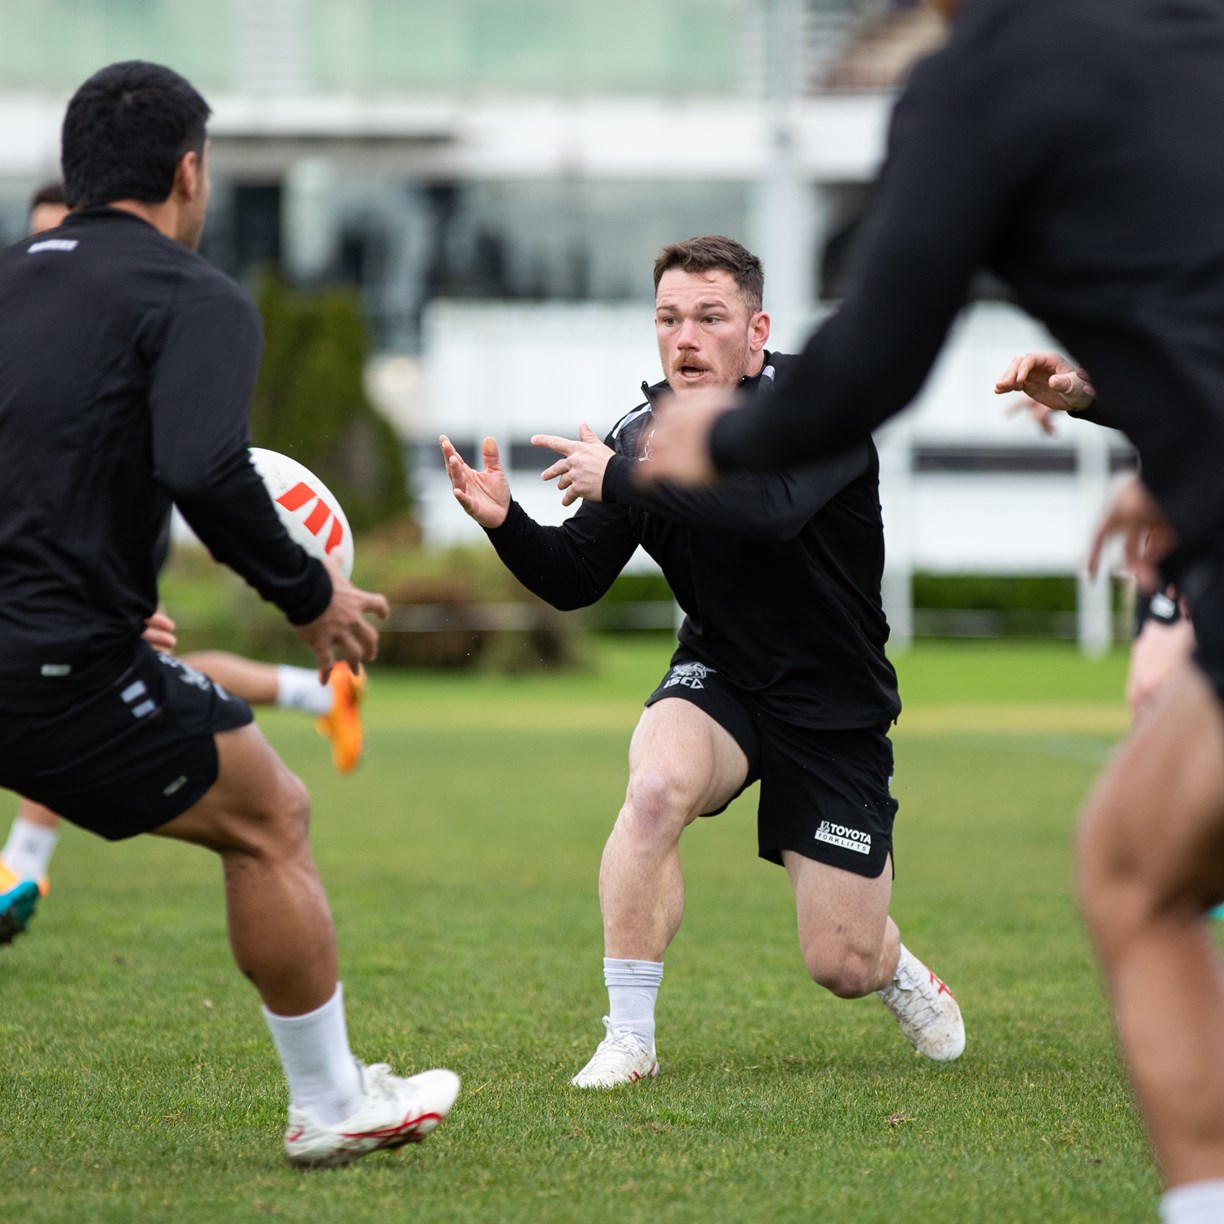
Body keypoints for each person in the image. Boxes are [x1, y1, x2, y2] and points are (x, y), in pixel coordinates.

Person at [638, 3, 1224, 1218]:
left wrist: (725, 436)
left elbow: (874, 361)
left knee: (1132, 869)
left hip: (840, 704)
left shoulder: (983, 81)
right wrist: (1157, 439)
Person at [0, 61, 458, 1166]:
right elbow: (204, 467)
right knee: (271, 817)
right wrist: (315, 599)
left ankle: (343, 1086)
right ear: (189, 172)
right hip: (53, 667)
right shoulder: (188, 293)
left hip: (54, 640)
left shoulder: (10, 281)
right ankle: (329, 1103)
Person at [440, 234, 964, 1089]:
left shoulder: (817, 410)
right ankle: (629, 1039)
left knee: (840, 961)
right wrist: (508, 525)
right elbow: (575, 580)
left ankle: (896, 967)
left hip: (833, 708)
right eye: (669, 318)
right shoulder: (640, 436)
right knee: (653, 791)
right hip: (721, 680)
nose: (685, 337)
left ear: (756, 333)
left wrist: (627, 480)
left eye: (710, 318)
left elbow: (767, 511)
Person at [0, 184, 368, 947]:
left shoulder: (130, 319)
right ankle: (320, 693)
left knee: (110, 676)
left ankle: (20, 865)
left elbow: (193, 464)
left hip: (77, 592)